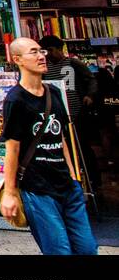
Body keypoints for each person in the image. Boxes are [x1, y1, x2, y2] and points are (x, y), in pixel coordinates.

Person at [0, 38, 97, 254]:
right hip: (38, 189)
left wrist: (74, 177)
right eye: (33, 52)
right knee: (59, 250)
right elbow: (12, 149)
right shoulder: (15, 100)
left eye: (41, 51)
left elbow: (61, 138)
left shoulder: (53, 92)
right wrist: (10, 192)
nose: (41, 56)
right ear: (18, 60)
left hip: (67, 186)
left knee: (87, 249)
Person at [40, 34, 101, 191]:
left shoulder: (73, 64)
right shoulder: (44, 68)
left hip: (76, 113)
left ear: (60, 49)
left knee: (83, 148)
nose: (48, 54)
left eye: (51, 50)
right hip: (55, 116)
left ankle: (93, 180)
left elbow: (91, 79)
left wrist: (89, 95)